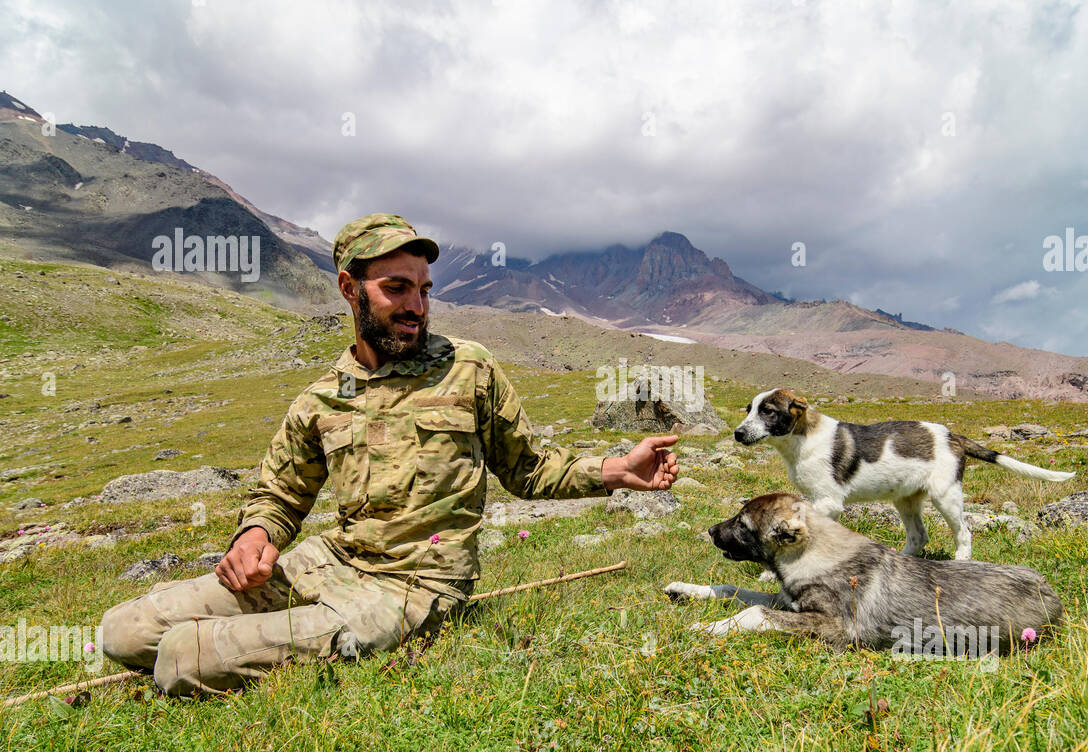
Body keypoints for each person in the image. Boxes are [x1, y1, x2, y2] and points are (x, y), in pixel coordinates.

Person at [101, 213, 679, 695]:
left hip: (414, 587)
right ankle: (283, 629)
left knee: (183, 657)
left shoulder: (469, 367)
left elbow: (529, 468)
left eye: (424, 289)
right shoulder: (322, 397)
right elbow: (280, 494)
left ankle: (279, 639)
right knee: (122, 632)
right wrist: (254, 538)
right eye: (396, 288)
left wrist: (617, 471)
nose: (417, 306)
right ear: (350, 290)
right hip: (329, 565)